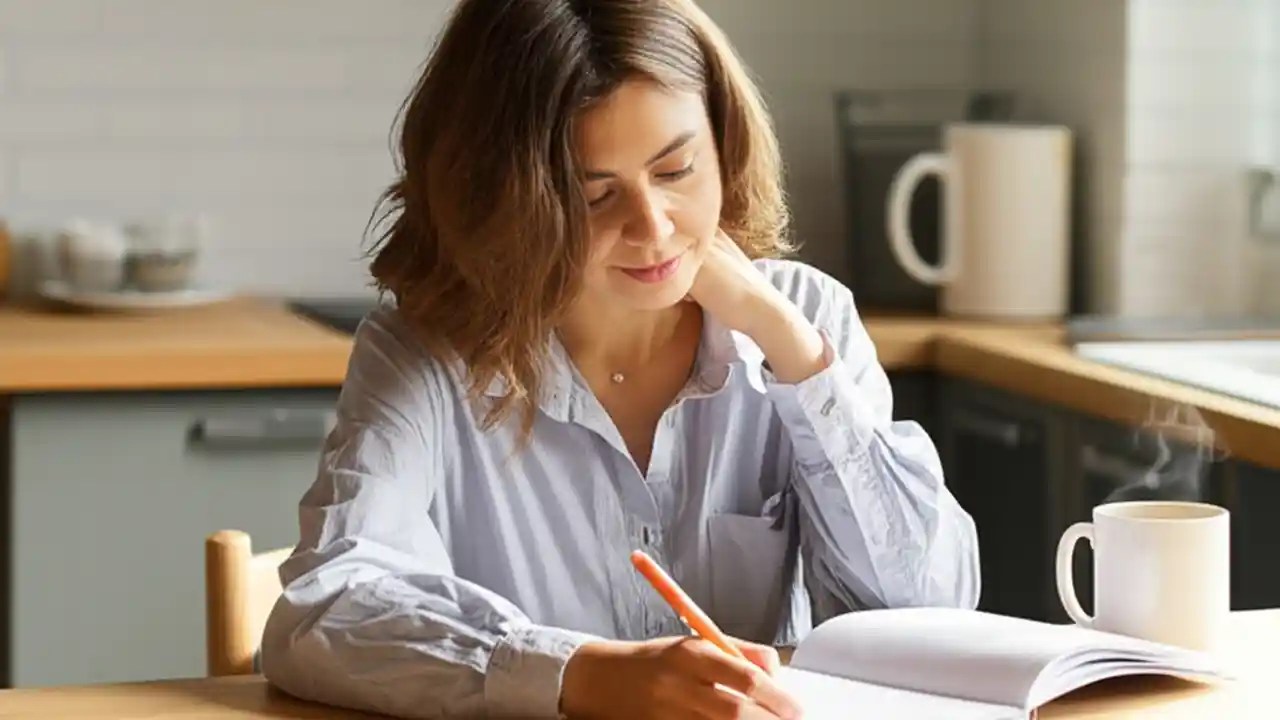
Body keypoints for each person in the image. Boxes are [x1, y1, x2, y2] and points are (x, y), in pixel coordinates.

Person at [260, 0, 980, 717]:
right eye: (594, 195)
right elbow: (322, 608)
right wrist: (578, 673)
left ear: (722, 144)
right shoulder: (425, 357)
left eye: (676, 171)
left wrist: (791, 349)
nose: (653, 228)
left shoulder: (806, 321)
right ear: (506, 201)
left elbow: (927, 614)